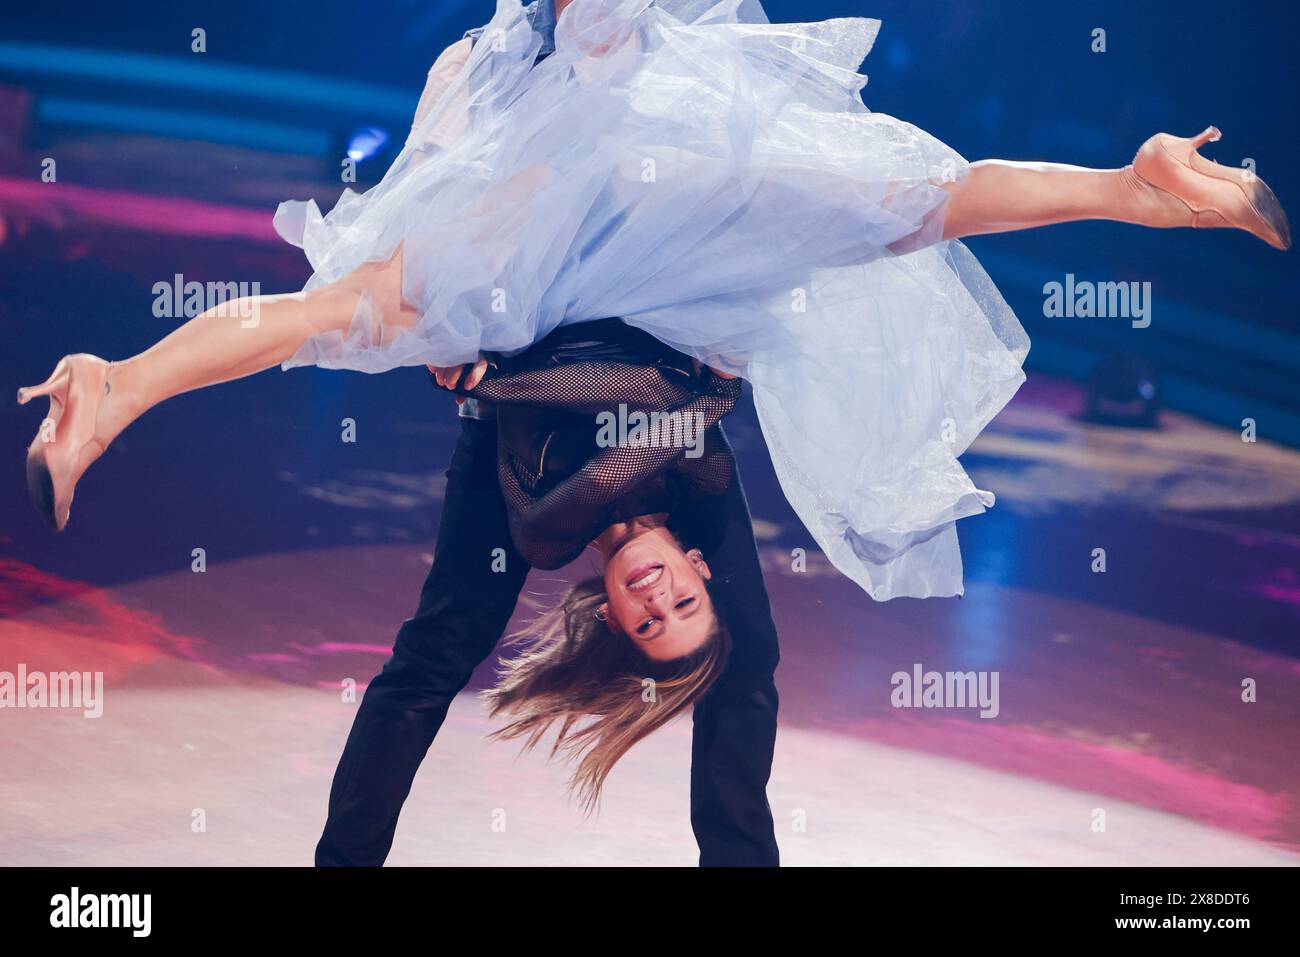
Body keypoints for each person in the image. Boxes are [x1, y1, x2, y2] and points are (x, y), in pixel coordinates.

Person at [20, 0, 1290, 602]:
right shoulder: (607, 237)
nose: (659, 590)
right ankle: (118, 385)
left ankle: (118, 385)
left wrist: (1126, 187)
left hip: (604, 192)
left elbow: (946, 199)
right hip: (625, 188)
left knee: (340, 315)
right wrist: (1125, 187)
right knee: (905, 200)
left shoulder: (494, 283)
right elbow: (945, 199)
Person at [316, 318, 782, 865]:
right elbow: (650, 394)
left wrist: (483, 383)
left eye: (647, 622)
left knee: (437, 650)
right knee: (742, 649)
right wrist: (719, 386)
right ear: (699, 564)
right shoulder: (700, 475)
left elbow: (635, 422)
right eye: (682, 602)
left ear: (611, 615)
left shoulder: (548, 535)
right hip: (626, 320)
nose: (658, 597)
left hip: (520, 380)